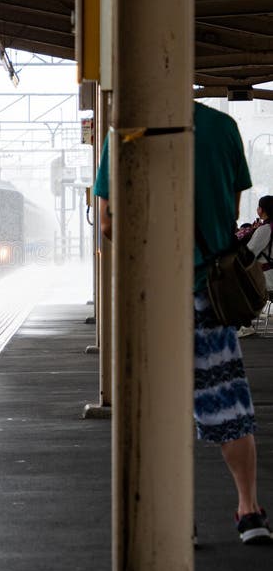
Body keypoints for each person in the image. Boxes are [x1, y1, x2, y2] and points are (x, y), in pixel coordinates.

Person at [93, 101, 272, 545]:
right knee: (227, 400)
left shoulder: (125, 131)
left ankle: (175, 519)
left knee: (159, 408)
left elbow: (108, 220)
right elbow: (231, 213)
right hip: (209, 292)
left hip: (152, 295)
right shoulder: (222, 127)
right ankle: (249, 512)